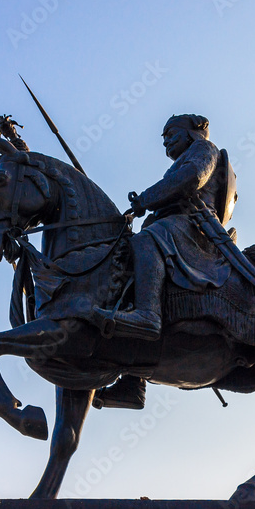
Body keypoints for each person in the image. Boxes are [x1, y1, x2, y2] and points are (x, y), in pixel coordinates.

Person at [93, 114, 237, 409]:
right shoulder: (183, 157)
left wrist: (145, 200)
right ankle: (132, 382)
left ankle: (148, 315)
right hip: (173, 225)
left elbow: (190, 179)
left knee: (145, 241)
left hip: (192, 228)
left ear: (191, 133)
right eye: (164, 137)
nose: (166, 141)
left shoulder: (204, 149)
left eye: (171, 134)